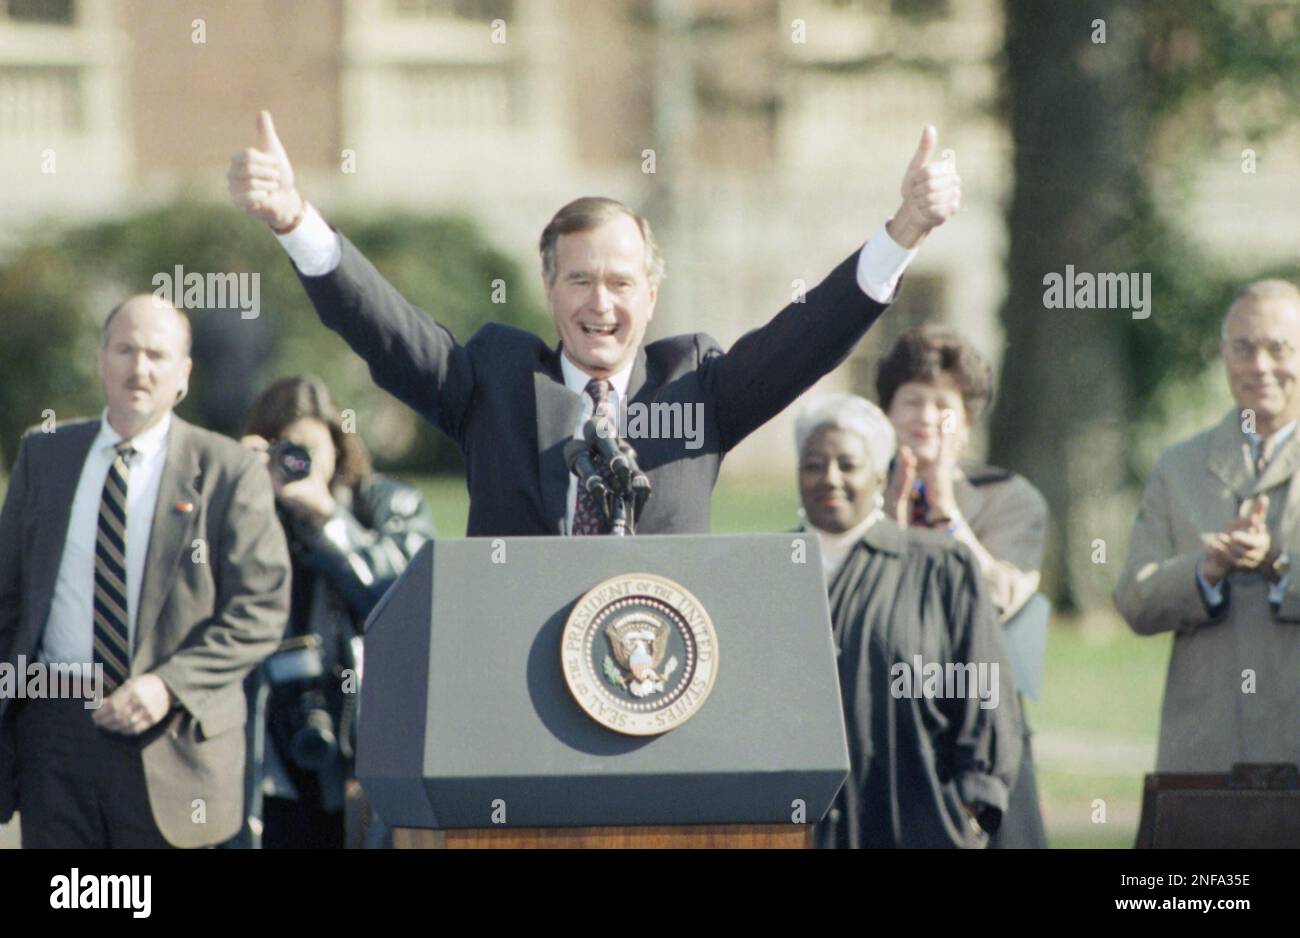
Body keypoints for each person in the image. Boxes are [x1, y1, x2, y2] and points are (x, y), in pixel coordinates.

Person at [227, 111, 961, 535]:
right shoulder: (495, 382)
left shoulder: (696, 389)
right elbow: (386, 329)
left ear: (651, 293)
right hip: (519, 690)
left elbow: (804, 340)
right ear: (548, 287)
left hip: (663, 687)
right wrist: (296, 223)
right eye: (579, 281)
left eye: (619, 283)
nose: (599, 305)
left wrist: (903, 233)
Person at [0, 295, 290, 848]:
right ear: (101, 358)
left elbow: (260, 610)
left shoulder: (227, 471)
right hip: (55, 745)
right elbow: (6, 599)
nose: (139, 369)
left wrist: (168, 685)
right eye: (125, 350)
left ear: (183, 374)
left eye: (157, 355)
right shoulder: (44, 458)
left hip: (174, 741)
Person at [797, 393, 1021, 848]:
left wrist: (970, 810)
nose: (830, 478)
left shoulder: (939, 566)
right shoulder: (769, 570)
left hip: (917, 826)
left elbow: (982, 691)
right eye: (814, 464)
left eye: (847, 464)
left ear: (880, 474)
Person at [237, 376, 436, 848]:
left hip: (363, 744)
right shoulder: (246, 507)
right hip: (266, 749)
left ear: (337, 443)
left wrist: (327, 517)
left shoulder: (384, 504)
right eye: (281, 449)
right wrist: (237, 492)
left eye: (307, 446)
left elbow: (400, 598)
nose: (296, 463)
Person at [1116, 280, 1300, 773]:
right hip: (1208, 755)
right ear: (1223, 356)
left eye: (1278, 348)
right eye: (1243, 348)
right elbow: (1135, 599)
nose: (1260, 366)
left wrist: (1279, 566)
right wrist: (1207, 569)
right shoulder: (1180, 467)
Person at [877, 326, 1049, 847]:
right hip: (884, 720)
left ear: (968, 424)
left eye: (942, 405)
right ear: (887, 414)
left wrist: (950, 518)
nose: (925, 418)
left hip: (982, 725)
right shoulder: (855, 493)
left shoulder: (1009, 499)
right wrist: (889, 518)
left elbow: (1001, 594)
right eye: (911, 401)